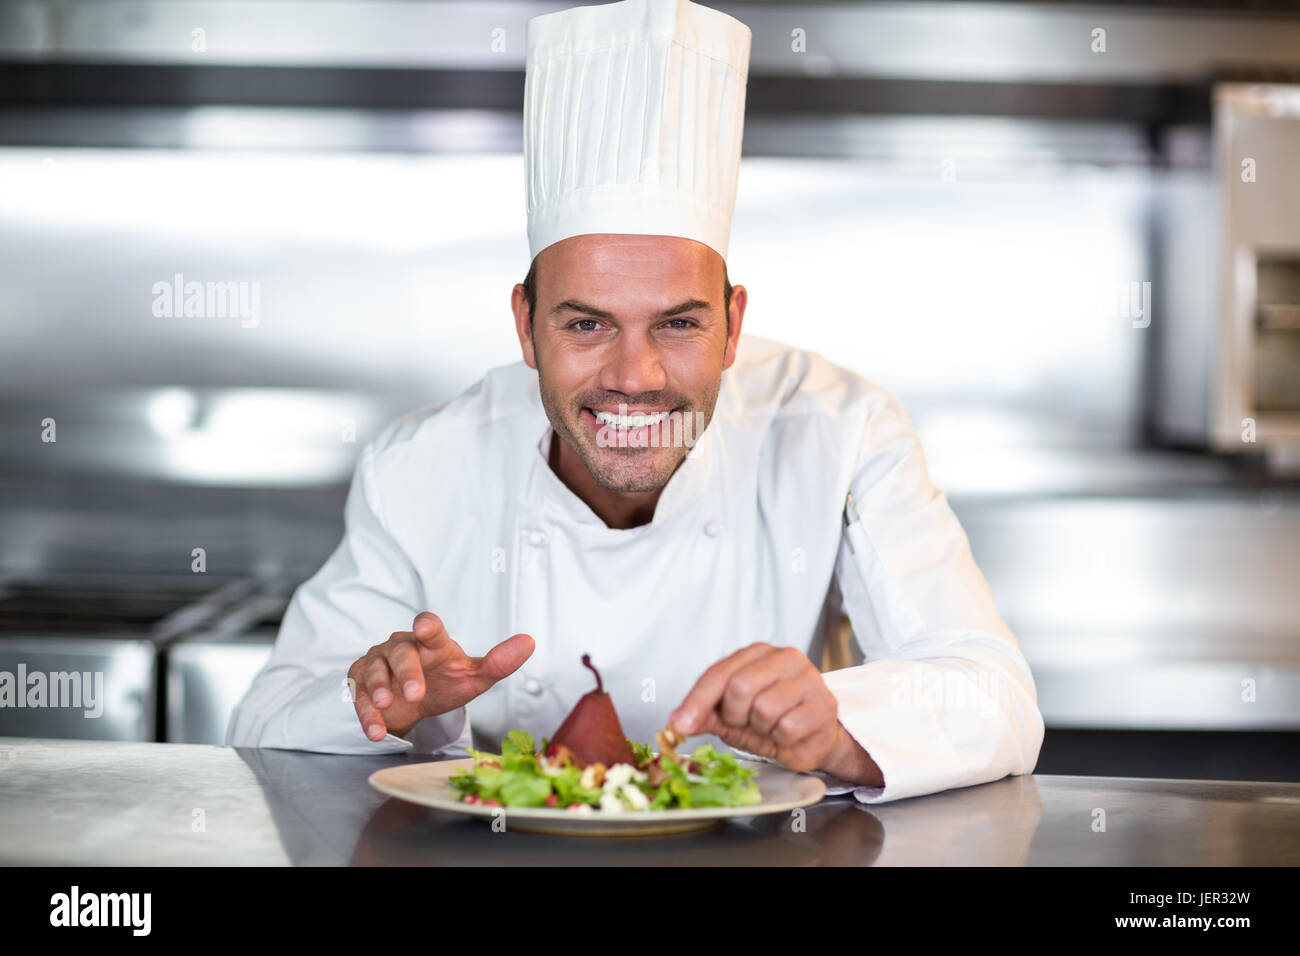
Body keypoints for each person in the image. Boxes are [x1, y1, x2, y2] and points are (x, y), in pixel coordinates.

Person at [227, 0, 1044, 804]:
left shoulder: (838, 429)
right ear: (526, 325)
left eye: (678, 324)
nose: (635, 375)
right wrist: (383, 702)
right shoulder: (421, 466)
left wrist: (839, 727)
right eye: (587, 323)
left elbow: (996, 697)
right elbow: (262, 721)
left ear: (732, 328)